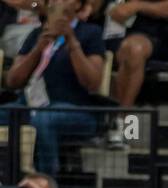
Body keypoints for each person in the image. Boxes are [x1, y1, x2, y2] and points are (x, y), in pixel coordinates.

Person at [3, 0, 105, 176]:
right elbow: (12, 81)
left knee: (44, 120)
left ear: (77, 5)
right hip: (30, 106)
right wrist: (38, 48)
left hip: (76, 110)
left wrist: (72, 40)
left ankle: (47, 185)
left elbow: (93, 82)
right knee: (32, 116)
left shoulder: (90, 33)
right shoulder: (36, 34)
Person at [101, 0, 168, 111]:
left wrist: (137, 5)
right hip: (101, 27)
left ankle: (120, 116)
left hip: (149, 33)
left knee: (133, 50)